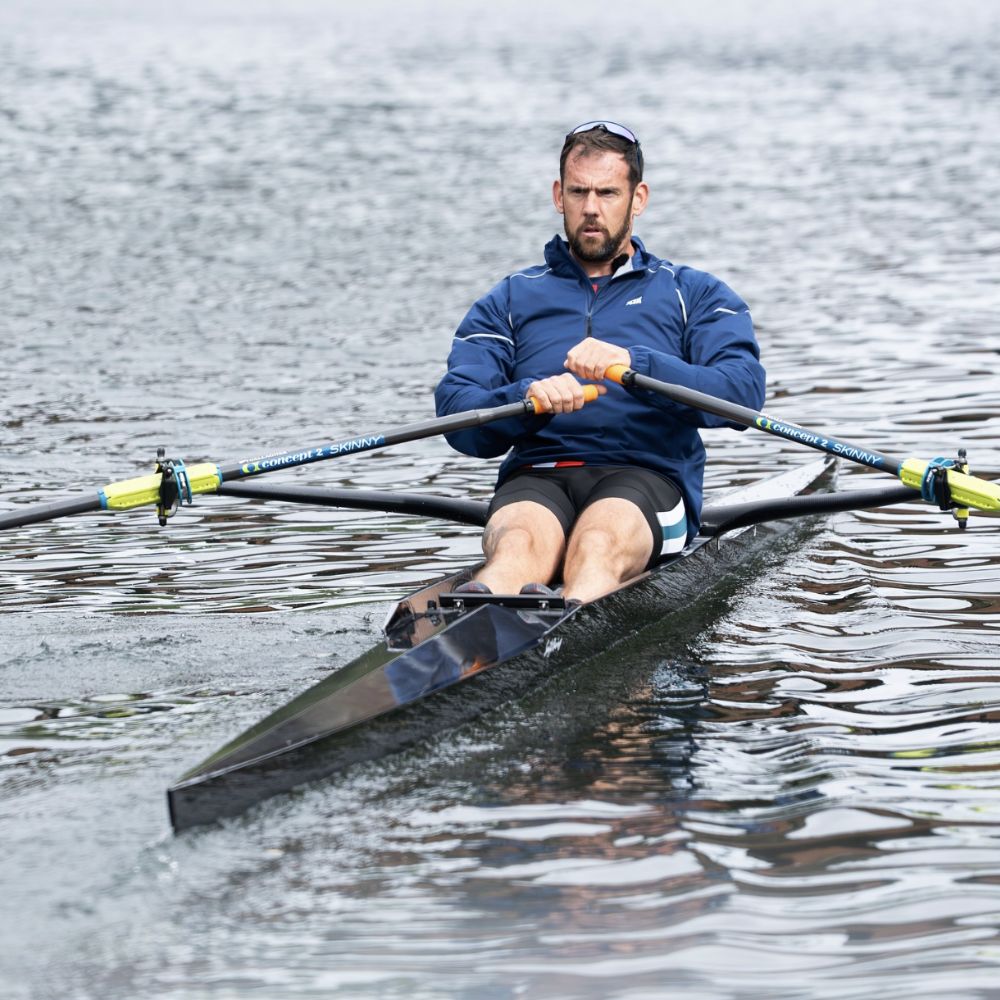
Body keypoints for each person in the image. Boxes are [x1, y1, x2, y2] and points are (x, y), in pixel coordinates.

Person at [434, 120, 765, 604]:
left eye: (608, 193)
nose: (591, 208)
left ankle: (566, 623)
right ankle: (478, 623)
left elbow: (742, 392)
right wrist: (527, 398)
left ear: (638, 198)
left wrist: (636, 366)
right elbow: (459, 414)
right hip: (538, 476)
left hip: (647, 477)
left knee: (596, 544)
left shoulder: (693, 294)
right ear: (558, 195)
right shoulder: (508, 300)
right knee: (517, 544)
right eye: (578, 192)